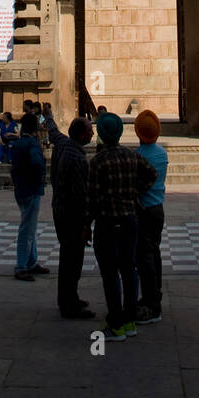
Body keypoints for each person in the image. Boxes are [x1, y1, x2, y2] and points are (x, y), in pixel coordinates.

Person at [86, 112, 157, 341]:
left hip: (107, 222)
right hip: (130, 220)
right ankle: (129, 320)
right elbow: (151, 175)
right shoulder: (131, 156)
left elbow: (92, 197)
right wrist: (134, 194)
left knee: (110, 273)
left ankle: (115, 323)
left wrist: (87, 223)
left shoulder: (97, 162)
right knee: (129, 269)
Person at [47, 112, 95, 319]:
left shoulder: (62, 144)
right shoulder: (79, 161)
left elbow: (52, 131)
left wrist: (48, 114)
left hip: (58, 210)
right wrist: (86, 224)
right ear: (82, 135)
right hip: (71, 217)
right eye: (90, 132)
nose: (93, 134)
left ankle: (68, 298)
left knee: (67, 258)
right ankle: (69, 305)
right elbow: (81, 196)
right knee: (72, 261)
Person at [133, 110, 168, 324]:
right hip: (157, 209)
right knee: (154, 253)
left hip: (143, 210)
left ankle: (151, 305)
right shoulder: (162, 154)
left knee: (144, 258)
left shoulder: (138, 157)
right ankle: (155, 294)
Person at [10, 111, 49, 281]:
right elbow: (37, 163)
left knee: (29, 226)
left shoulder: (18, 143)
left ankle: (31, 261)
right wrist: (40, 178)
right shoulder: (32, 144)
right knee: (27, 228)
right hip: (31, 189)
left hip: (20, 188)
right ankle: (21, 266)